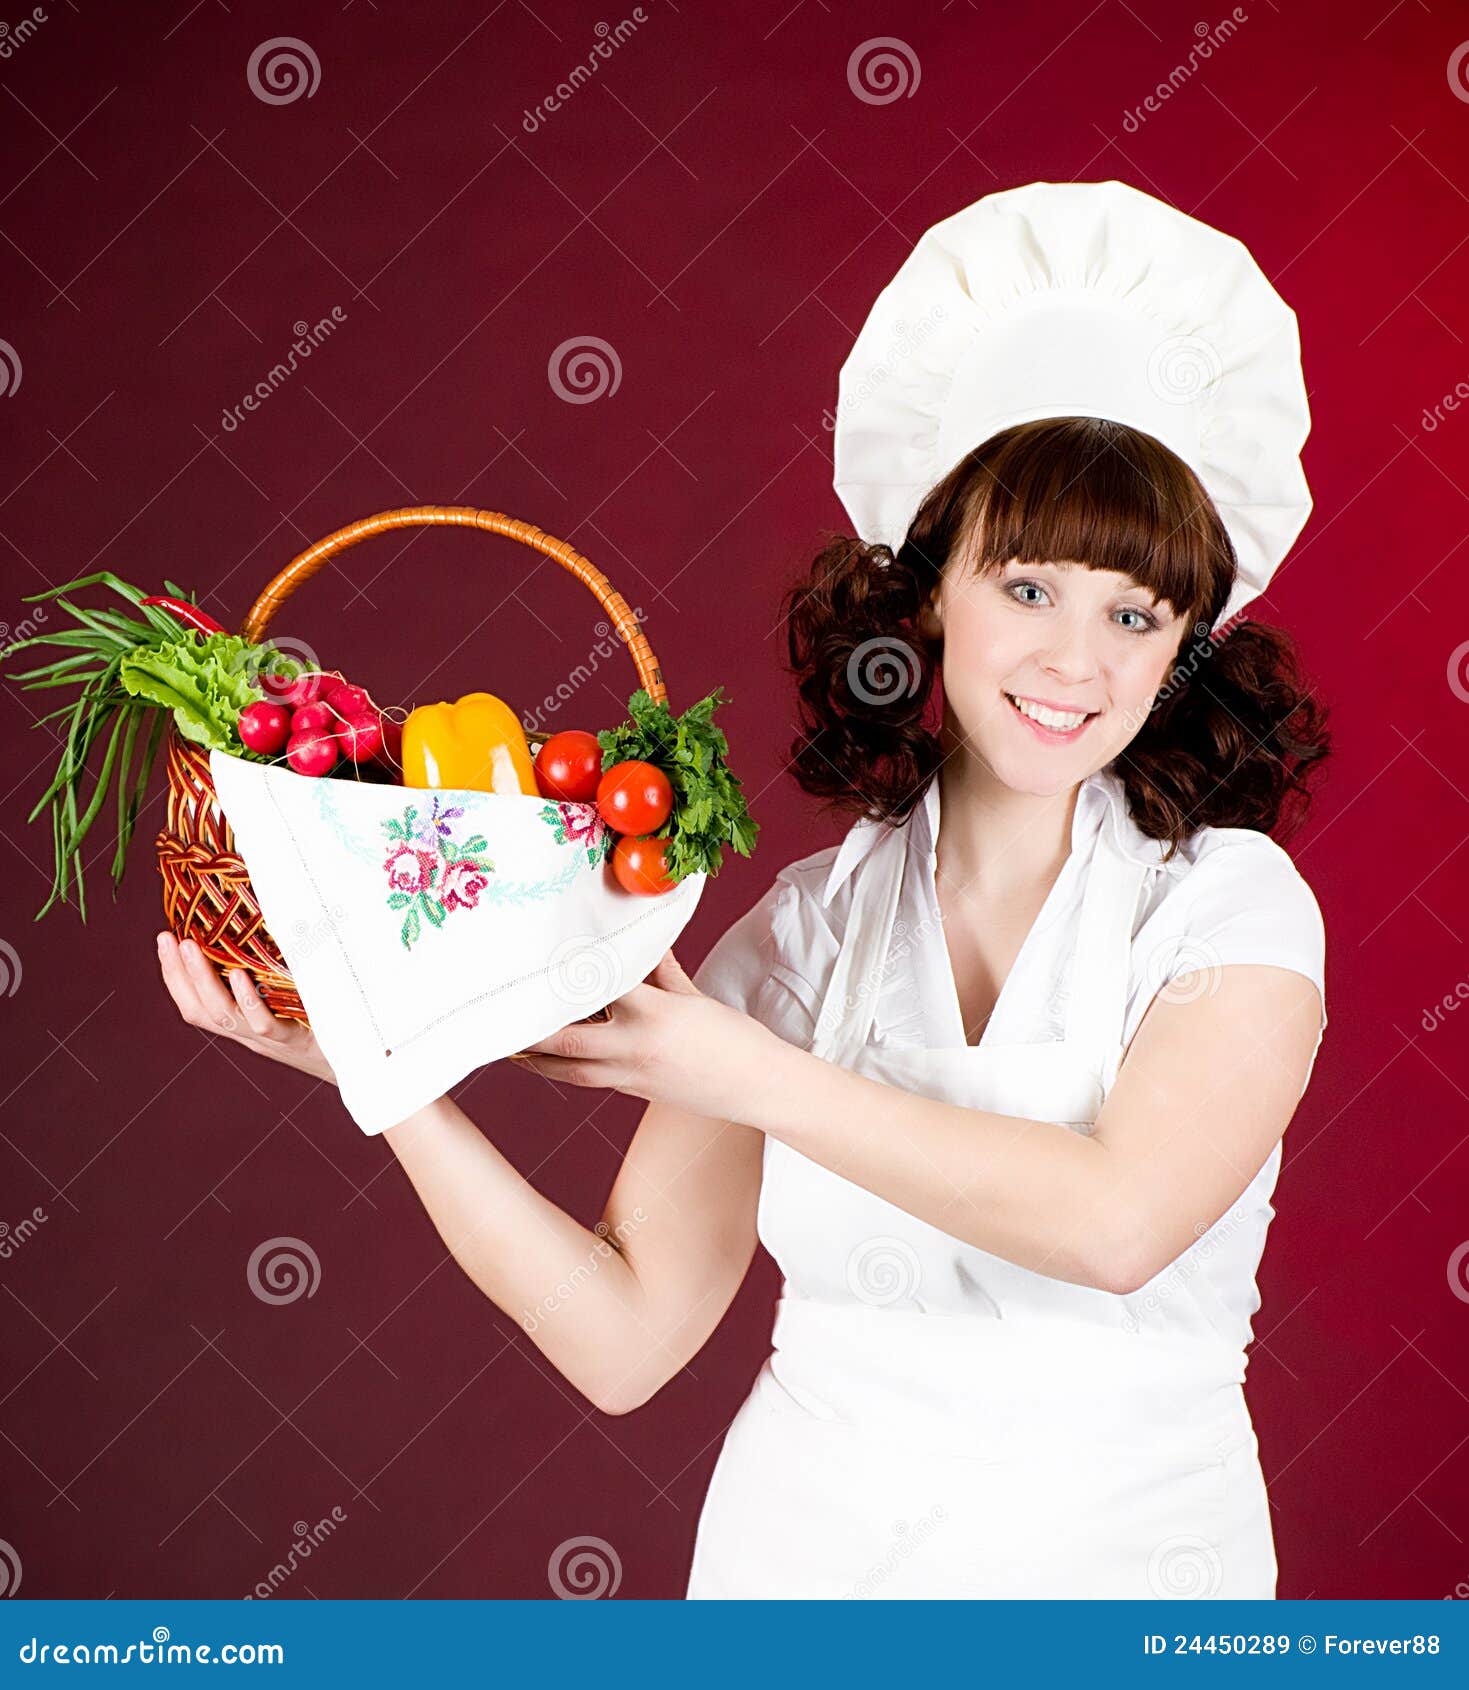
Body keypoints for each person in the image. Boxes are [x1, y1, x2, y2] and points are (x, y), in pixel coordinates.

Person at [155, 181, 1330, 1599]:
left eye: (1132, 612)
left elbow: (1116, 1222)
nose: (1075, 660)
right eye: (1027, 588)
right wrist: (385, 1067)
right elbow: (624, 1336)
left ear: (1181, 646)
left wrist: (747, 1070)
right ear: (927, 593)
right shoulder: (805, 934)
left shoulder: (1229, 911)